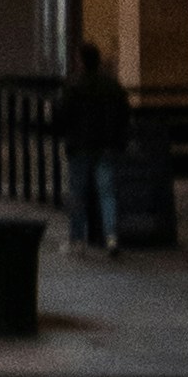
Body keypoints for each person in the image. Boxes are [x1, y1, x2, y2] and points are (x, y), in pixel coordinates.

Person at [57, 38, 130, 256]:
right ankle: (111, 237)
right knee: (107, 193)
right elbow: (123, 115)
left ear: (80, 61)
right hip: (106, 146)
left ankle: (77, 240)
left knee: (78, 193)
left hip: (80, 146)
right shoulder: (112, 86)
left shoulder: (73, 86)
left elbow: (62, 116)